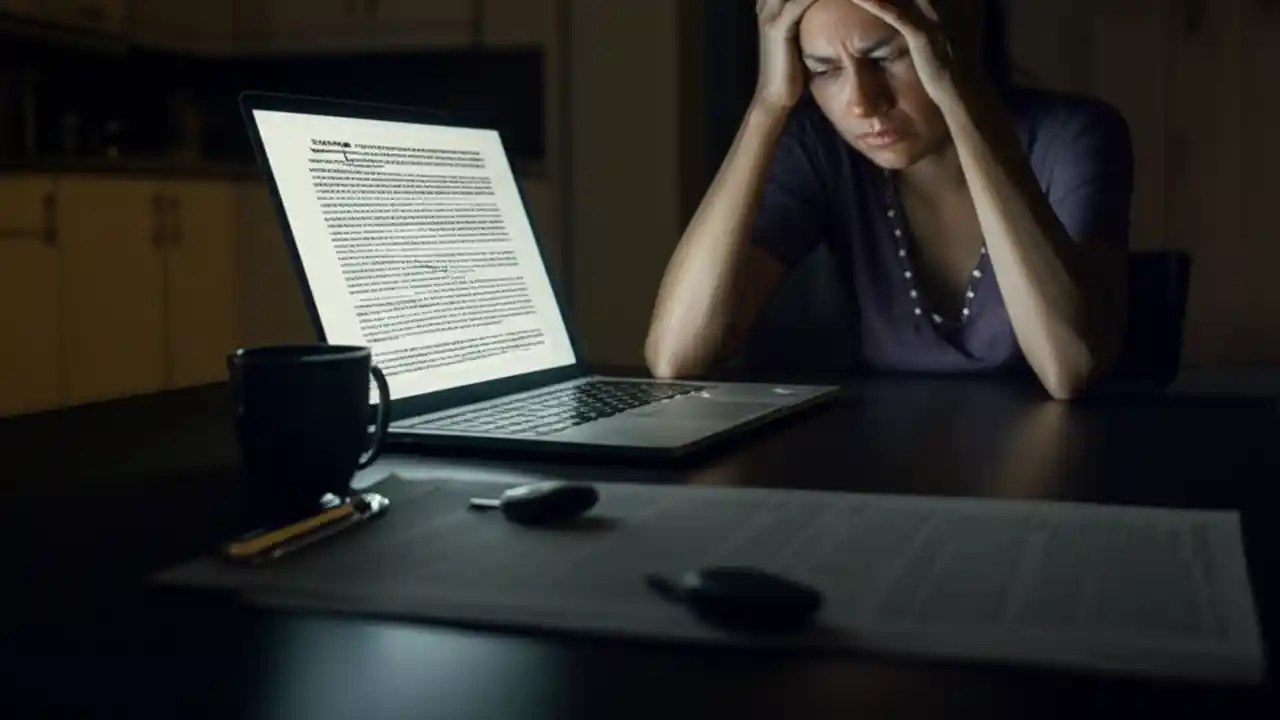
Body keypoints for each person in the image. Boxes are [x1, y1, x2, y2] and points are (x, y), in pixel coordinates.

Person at [645, 0, 1134, 400]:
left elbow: (1069, 368)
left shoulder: (1073, 136)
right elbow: (676, 355)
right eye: (826, 70)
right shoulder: (822, 151)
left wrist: (959, 96)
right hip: (886, 472)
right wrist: (768, 105)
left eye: (885, 58)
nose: (863, 103)